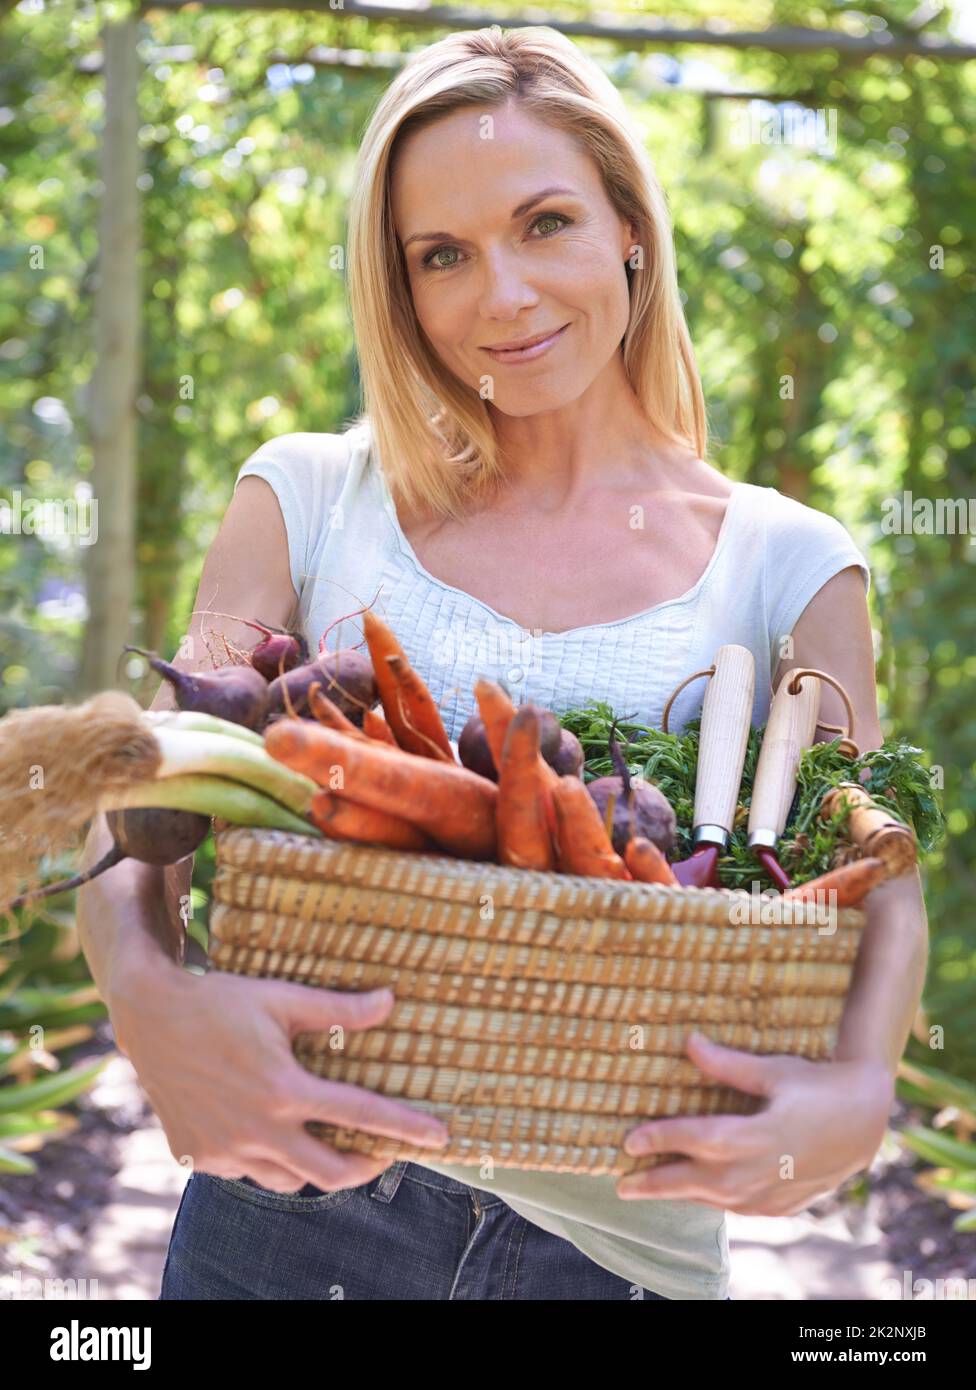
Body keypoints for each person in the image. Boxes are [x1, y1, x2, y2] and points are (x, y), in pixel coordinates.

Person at [76, 25, 929, 1301]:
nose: (504, 297)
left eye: (545, 224)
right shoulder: (308, 498)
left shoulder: (789, 561)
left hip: (618, 1251)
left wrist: (860, 1090)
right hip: (295, 1212)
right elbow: (147, 786)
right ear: (400, 286)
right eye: (442, 255)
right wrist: (147, 1003)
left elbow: (867, 862)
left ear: (629, 226)